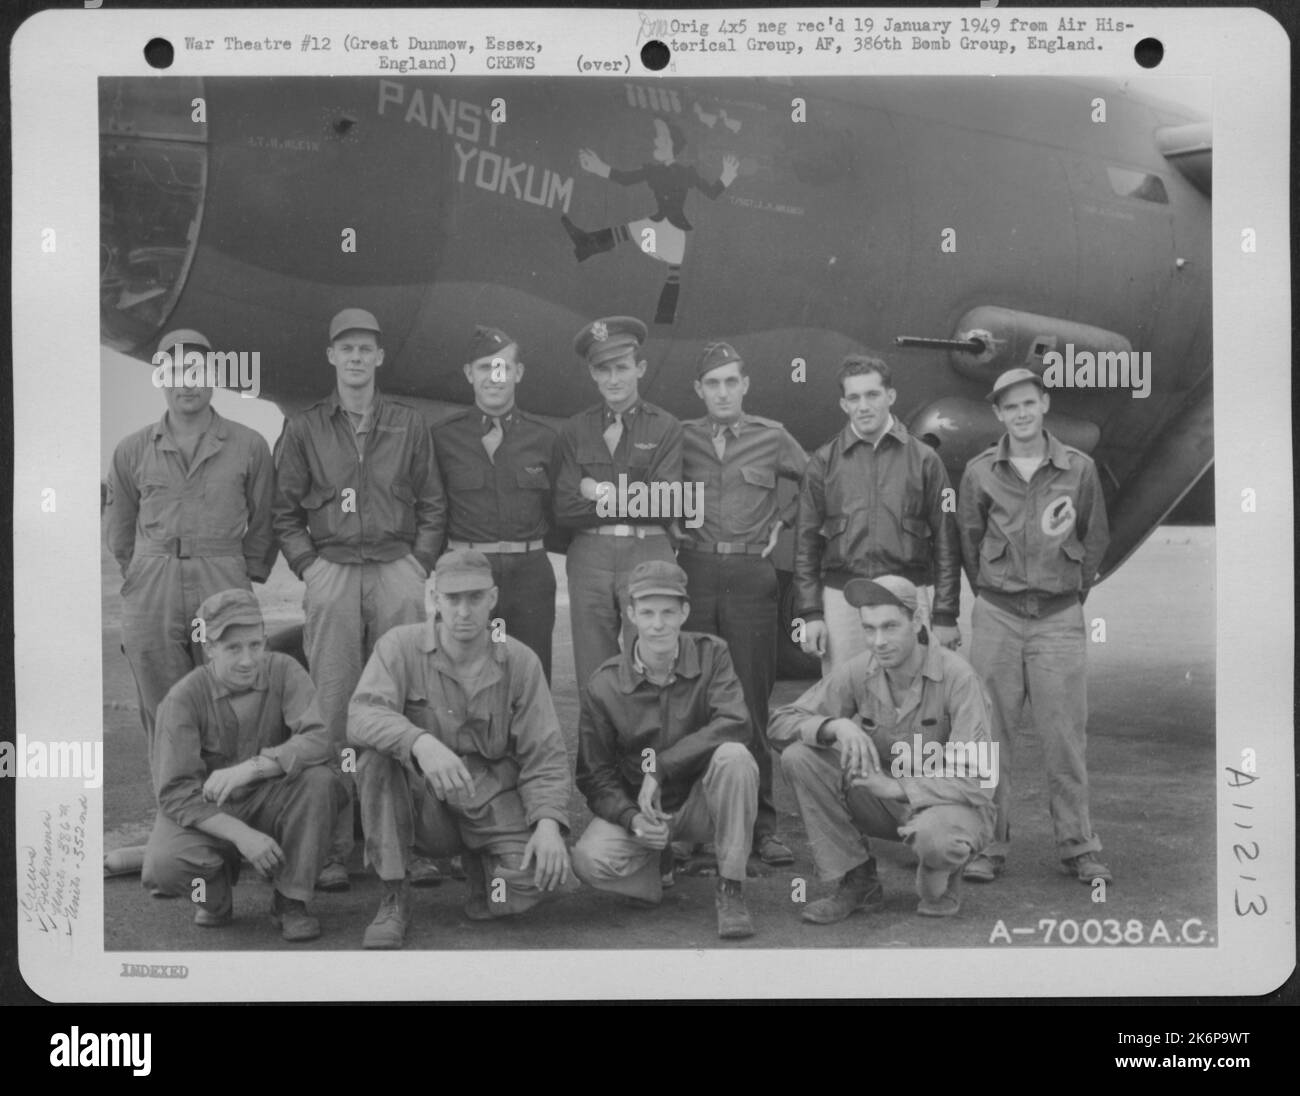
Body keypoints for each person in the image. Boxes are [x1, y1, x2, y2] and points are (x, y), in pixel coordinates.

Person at [272, 307, 446, 892]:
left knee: (408, 700)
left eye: (365, 348)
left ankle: (411, 843)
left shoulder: (407, 422)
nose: (355, 357)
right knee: (335, 704)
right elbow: (284, 511)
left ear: (378, 357)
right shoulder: (305, 426)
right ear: (331, 357)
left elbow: (432, 502)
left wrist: (417, 564)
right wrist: (309, 568)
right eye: (345, 347)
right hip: (335, 571)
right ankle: (333, 847)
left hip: (398, 568)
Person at [348, 550, 576, 950]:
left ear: (493, 598)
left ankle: (483, 870)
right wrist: (418, 742)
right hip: (426, 806)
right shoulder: (399, 646)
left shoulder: (519, 660)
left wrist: (548, 823)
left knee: (549, 880)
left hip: (490, 801)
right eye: (453, 599)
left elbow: (545, 753)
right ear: (434, 598)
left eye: (475, 598)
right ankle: (394, 894)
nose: (464, 611)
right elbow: (362, 715)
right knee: (375, 761)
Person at [957, 368, 1112, 885]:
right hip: (997, 615)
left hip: (1058, 618)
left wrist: (1068, 589)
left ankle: (1078, 846)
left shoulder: (1078, 469)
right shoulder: (981, 472)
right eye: (1010, 407)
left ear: (1044, 404)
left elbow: (1094, 538)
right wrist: (996, 595)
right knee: (990, 737)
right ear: (998, 414)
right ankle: (987, 846)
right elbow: (969, 540)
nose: (1021, 414)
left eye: (1029, 403)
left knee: (1064, 736)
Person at [770, 576, 996, 921]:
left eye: (890, 627)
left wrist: (898, 786)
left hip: (950, 806)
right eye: (869, 628)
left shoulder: (959, 678)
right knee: (800, 758)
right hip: (886, 804)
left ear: (917, 622)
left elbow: (980, 780)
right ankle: (858, 881)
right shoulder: (862, 669)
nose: (879, 641)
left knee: (936, 847)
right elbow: (780, 723)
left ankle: (944, 871)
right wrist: (835, 726)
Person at [105, 328, 275, 754]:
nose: (187, 382)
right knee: (164, 709)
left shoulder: (249, 445)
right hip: (153, 588)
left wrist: (241, 574)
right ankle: (177, 810)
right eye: (176, 371)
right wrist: (144, 573)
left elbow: (266, 519)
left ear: (213, 375)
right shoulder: (131, 450)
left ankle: (232, 806)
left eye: (196, 370)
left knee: (234, 698)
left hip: (222, 578)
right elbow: (120, 531)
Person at [142, 589, 345, 941]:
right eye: (233, 648)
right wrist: (242, 836)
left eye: (255, 645)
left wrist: (254, 767)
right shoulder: (182, 699)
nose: (248, 659)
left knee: (320, 781)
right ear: (208, 648)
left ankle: (291, 899)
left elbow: (319, 739)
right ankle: (214, 896)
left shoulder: (284, 669)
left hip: (271, 799)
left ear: (266, 641)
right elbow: (174, 794)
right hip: (210, 814)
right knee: (163, 867)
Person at [572, 560, 759, 939]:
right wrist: (632, 820)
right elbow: (595, 775)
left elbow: (737, 722)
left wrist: (659, 767)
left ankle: (730, 886)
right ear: (630, 614)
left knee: (736, 757)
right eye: (647, 612)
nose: (658, 624)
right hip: (645, 813)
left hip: (701, 802)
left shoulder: (712, 653)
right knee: (588, 861)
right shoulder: (604, 684)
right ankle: (655, 865)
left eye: (668, 612)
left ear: (684, 612)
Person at [679, 340, 807, 867]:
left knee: (752, 698)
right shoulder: (681, 437)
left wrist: (785, 521)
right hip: (695, 570)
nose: (724, 391)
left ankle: (762, 826)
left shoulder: (772, 437)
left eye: (732, 381)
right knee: (689, 698)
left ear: (745, 385)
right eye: (713, 383)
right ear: (700, 390)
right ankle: (691, 827)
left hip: (752, 575)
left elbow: (813, 484)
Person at [793, 354, 962, 672]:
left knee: (913, 700)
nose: (863, 406)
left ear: (891, 396)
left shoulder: (925, 461)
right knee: (844, 701)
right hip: (842, 601)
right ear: (844, 404)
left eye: (872, 395)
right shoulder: (823, 463)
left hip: (906, 596)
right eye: (853, 397)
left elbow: (946, 543)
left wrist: (944, 614)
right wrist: (811, 614)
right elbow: (805, 545)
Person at [553, 315, 683, 692]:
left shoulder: (665, 427)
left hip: (648, 550)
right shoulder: (576, 429)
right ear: (592, 374)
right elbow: (564, 508)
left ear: (640, 368)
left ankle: (648, 750)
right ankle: (597, 752)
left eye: (622, 367)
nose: (613, 379)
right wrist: (632, 497)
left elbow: (664, 504)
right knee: (593, 672)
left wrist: (597, 491)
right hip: (590, 556)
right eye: (603, 369)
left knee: (654, 663)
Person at [431, 325, 562, 680]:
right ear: (469, 374)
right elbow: (432, 509)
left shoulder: (545, 439)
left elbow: (559, 511)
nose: (495, 377)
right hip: (471, 574)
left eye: (503, 367)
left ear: (518, 373)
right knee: (468, 674)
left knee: (529, 674)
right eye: (485, 367)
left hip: (530, 575)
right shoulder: (443, 438)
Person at [560, 118, 739, 324]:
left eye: (661, 139)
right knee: (631, 234)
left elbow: (711, 192)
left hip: (671, 230)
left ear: (673, 144)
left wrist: (726, 177)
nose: (655, 142)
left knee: (666, 267)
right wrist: (598, 167)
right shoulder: (653, 171)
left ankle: (664, 315)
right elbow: (625, 178)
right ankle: (586, 245)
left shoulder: (686, 173)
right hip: (657, 228)